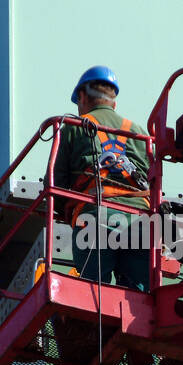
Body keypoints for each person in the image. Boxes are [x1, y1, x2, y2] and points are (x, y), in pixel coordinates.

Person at [53, 66, 153, 292]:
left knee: (93, 295)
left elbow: (57, 186)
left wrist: (68, 212)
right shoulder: (140, 133)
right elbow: (154, 181)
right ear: (114, 103)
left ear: (82, 97)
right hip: (141, 222)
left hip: (96, 217)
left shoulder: (73, 126)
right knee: (139, 298)